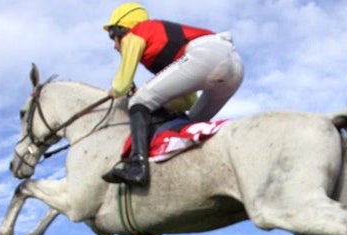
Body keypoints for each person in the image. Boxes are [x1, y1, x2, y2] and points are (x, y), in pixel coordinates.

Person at [101, 3, 244, 187]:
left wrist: (114, 93)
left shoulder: (136, 32)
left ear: (121, 28)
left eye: (113, 37)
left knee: (138, 101)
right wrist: (156, 104)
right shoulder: (162, 48)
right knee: (190, 123)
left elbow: (122, 84)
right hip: (235, 66)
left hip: (208, 54)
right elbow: (188, 101)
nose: (114, 46)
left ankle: (138, 166)